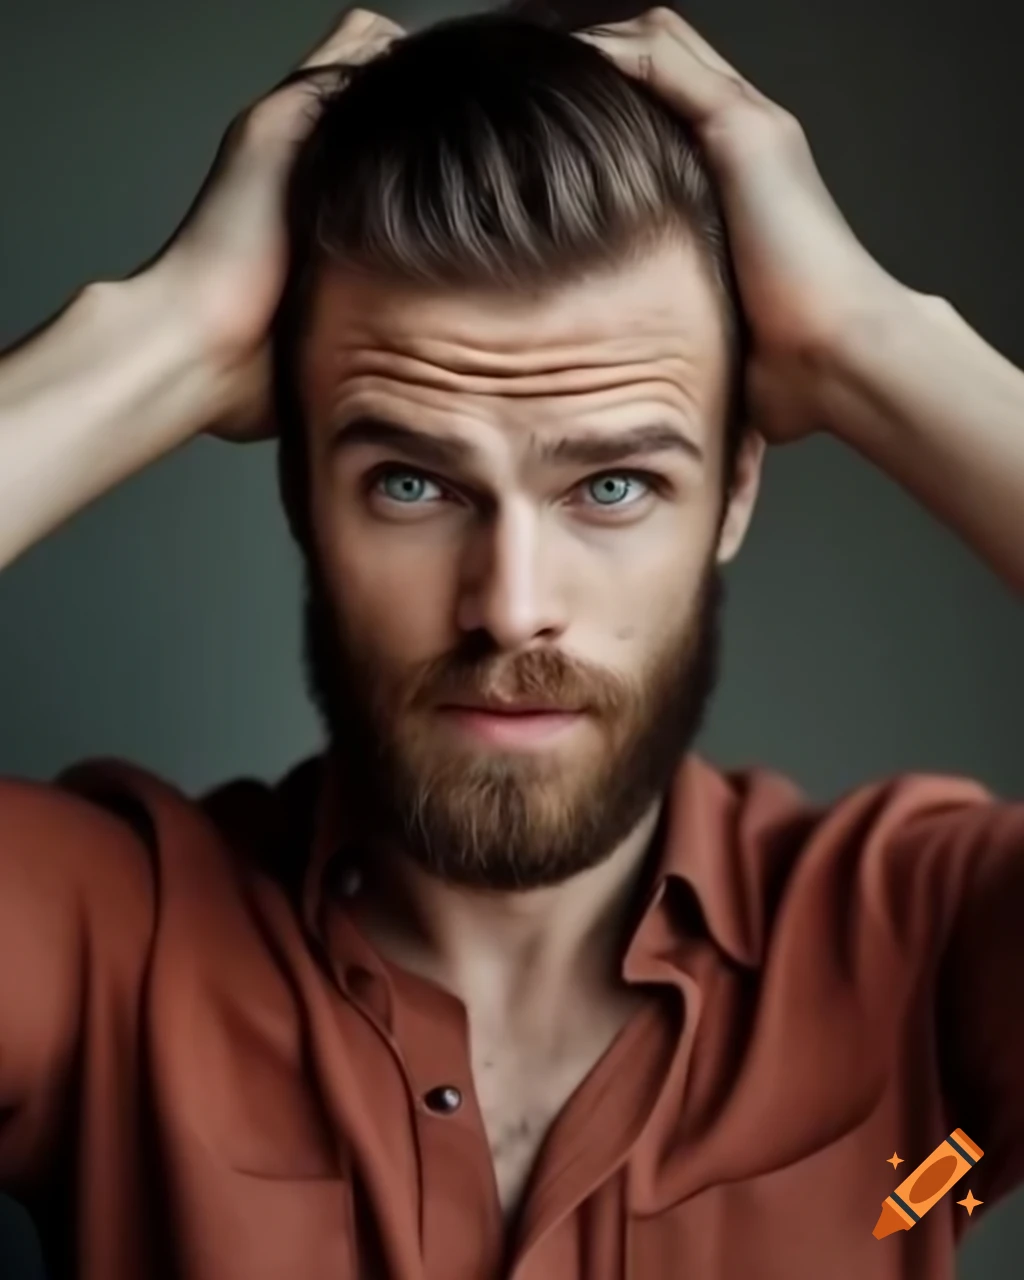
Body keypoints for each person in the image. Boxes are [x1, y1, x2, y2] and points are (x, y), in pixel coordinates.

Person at [0, 3, 1021, 1278]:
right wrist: (162, 334)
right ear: (300, 489)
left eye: (612, 485)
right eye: (412, 484)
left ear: (734, 492)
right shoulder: (105, 946)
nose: (509, 602)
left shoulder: (920, 958)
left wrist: (872, 341)